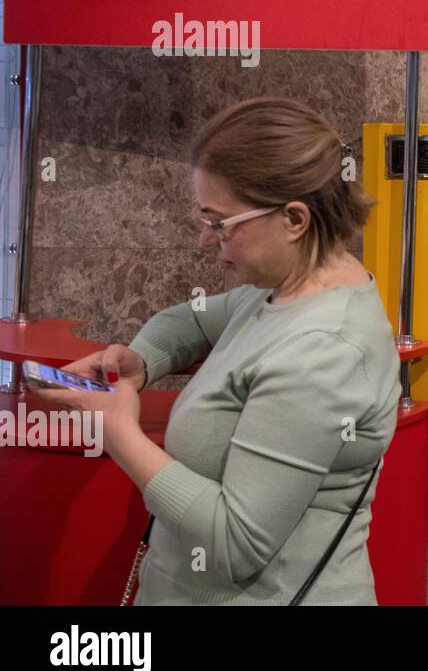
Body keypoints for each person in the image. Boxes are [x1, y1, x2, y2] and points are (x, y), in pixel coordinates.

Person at [26, 97, 400, 604]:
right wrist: (140, 362)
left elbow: (236, 543)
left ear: (294, 219)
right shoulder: (282, 291)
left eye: (219, 222)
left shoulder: (322, 352)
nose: (206, 239)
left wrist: (116, 431)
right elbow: (192, 318)